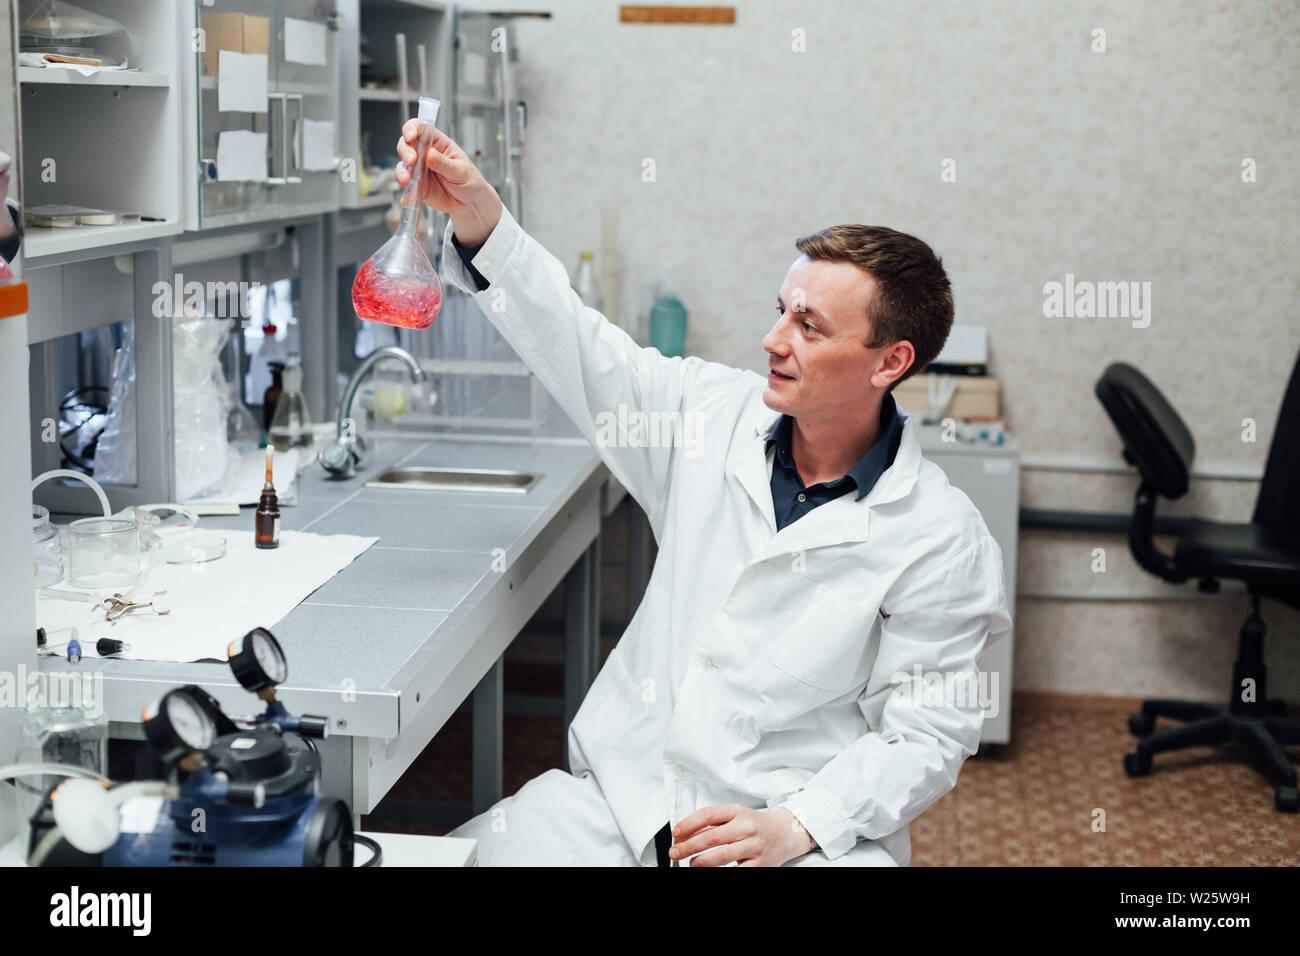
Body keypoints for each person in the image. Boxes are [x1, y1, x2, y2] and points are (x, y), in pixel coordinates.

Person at [396, 122, 1012, 867]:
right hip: (623, 803)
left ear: (890, 362)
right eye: (781, 309)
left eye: (809, 326)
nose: (774, 340)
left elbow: (925, 735)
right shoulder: (706, 417)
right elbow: (581, 346)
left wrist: (799, 823)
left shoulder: (940, 537)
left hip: (797, 830)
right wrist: (483, 218)